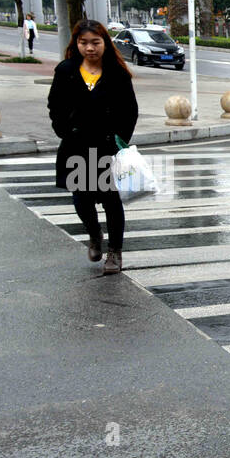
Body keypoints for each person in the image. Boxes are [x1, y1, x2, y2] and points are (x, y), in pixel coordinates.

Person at [46, 19, 138, 275]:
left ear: (105, 43)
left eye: (95, 42)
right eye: (84, 42)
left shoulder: (117, 73)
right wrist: (63, 130)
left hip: (107, 147)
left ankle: (115, 253)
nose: (90, 48)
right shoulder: (66, 70)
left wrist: (119, 140)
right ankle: (95, 234)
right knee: (81, 198)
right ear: (76, 43)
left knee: (110, 200)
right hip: (75, 145)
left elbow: (130, 110)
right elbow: (54, 105)